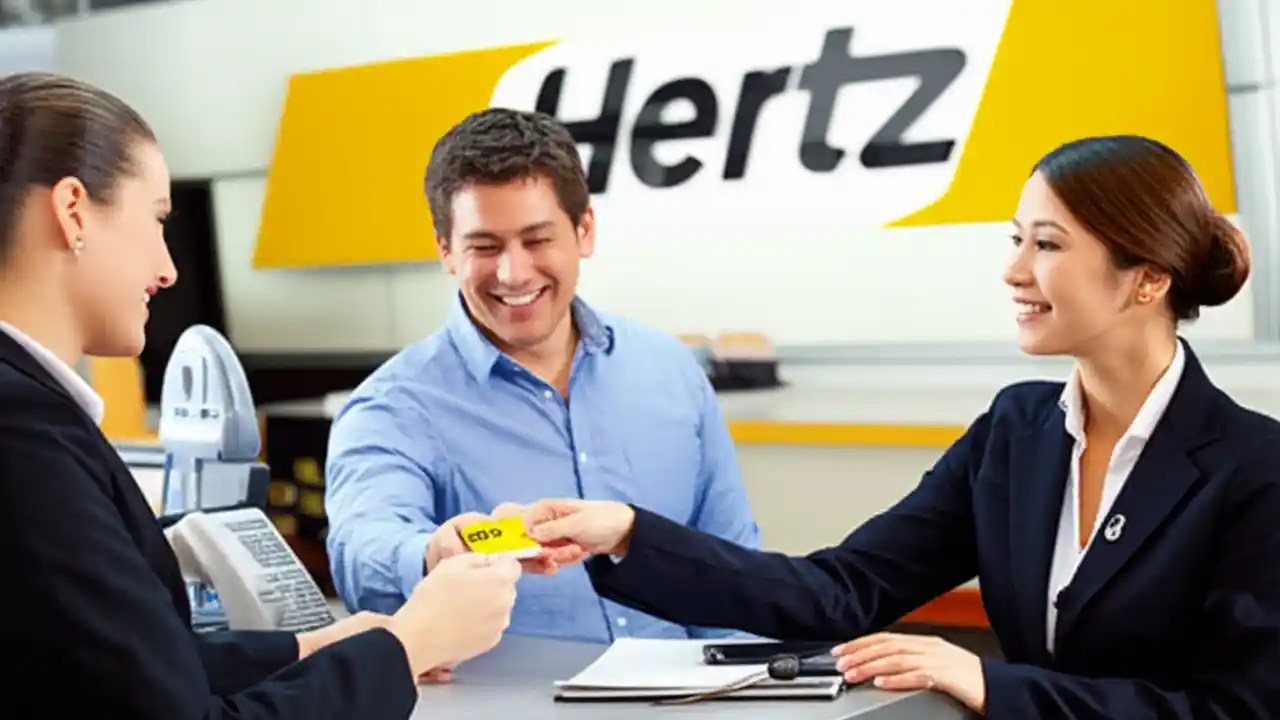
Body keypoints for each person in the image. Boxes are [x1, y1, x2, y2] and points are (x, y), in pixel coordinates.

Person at [507, 135, 1280, 717]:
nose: (1014, 271)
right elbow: (842, 590)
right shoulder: (1016, 433)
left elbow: (1238, 710)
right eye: (1016, 239)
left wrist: (989, 681)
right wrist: (628, 534)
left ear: (1146, 278)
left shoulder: (1254, 467)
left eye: (1047, 245)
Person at [0, 71, 522, 719]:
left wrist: (325, 643)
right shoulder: (22, 432)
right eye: (158, 220)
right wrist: (413, 641)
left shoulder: (31, 415)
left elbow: (126, 673)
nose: (168, 268)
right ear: (73, 210)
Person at [323, 108, 761, 643]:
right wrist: (433, 552)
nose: (514, 273)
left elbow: (735, 568)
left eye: (537, 240)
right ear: (445, 250)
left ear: (584, 231)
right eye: (484, 247)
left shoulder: (670, 371)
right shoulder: (392, 407)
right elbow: (361, 551)